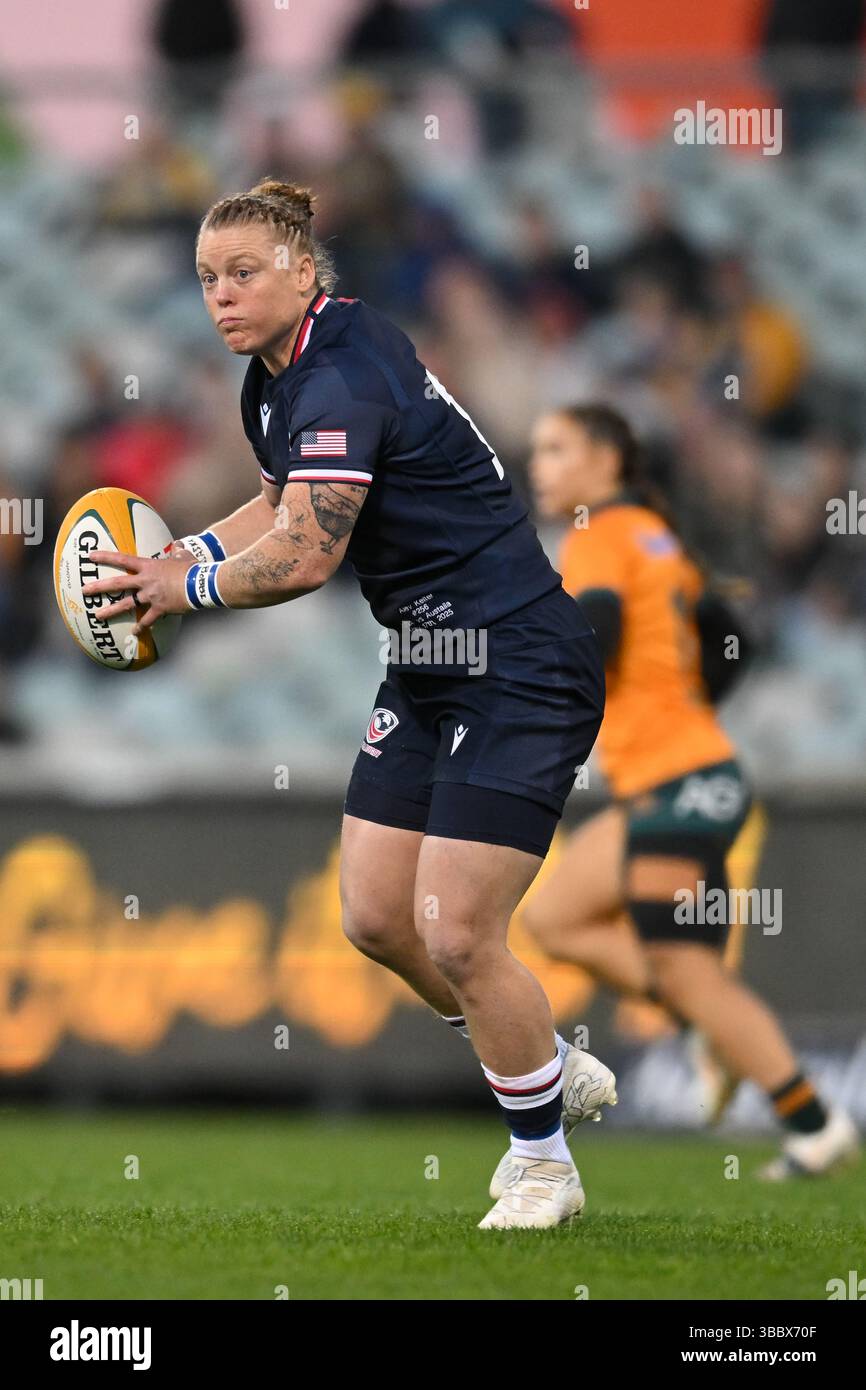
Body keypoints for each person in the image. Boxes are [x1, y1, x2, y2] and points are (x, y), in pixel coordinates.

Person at [80, 178, 616, 1228]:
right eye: (205, 280)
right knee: (376, 918)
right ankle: (542, 1060)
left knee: (457, 931)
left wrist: (176, 587)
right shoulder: (278, 374)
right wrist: (185, 548)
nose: (221, 297)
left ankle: (543, 1163)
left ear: (301, 270)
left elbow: (306, 553)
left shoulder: (340, 372)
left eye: (243, 273)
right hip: (425, 659)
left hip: (515, 660)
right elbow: (281, 502)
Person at [522, 402, 860, 1181]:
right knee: (553, 916)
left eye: (557, 449)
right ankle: (712, 1033)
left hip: (680, 780)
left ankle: (813, 1123)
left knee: (688, 971)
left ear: (606, 460)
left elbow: (594, 633)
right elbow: (728, 635)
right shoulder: (660, 537)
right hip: (678, 775)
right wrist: (683, 705)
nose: (540, 466)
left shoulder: (600, 533)